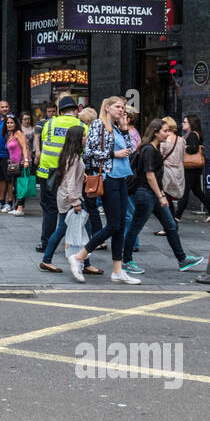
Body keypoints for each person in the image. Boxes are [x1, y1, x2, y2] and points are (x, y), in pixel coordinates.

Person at [120, 119, 204, 275]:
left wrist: (161, 194)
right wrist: (161, 196)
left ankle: (182, 259)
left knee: (170, 225)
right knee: (135, 227)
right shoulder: (148, 150)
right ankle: (125, 261)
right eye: (165, 131)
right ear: (156, 132)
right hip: (146, 194)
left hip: (154, 193)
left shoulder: (153, 148)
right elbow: (149, 175)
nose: (168, 134)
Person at [69, 97, 136, 284]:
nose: (122, 110)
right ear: (107, 107)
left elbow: (131, 148)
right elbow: (89, 151)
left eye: (123, 107)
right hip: (107, 178)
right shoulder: (98, 125)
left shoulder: (117, 127)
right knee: (113, 224)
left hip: (121, 177)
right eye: (118, 107)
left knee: (120, 225)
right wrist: (113, 154)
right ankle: (79, 256)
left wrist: (124, 129)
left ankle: (117, 270)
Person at [36, 96, 86, 252]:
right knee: (71, 208)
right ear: (76, 109)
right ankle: (72, 243)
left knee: (50, 209)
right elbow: (84, 149)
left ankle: (46, 243)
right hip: (71, 173)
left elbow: (45, 142)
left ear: (60, 111)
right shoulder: (82, 125)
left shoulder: (49, 123)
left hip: (48, 173)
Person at [175, 115, 210, 222]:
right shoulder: (190, 134)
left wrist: (184, 147)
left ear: (191, 124)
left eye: (185, 122)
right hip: (193, 167)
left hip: (191, 167)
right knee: (197, 191)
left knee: (184, 192)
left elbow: (193, 149)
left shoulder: (193, 135)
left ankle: (177, 217)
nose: (182, 124)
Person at [4, 113, 32, 216]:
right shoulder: (10, 134)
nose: (9, 124)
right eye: (8, 123)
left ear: (16, 124)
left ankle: (20, 208)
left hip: (21, 163)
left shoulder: (19, 133)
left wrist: (25, 160)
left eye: (12, 123)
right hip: (14, 165)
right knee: (15, 186)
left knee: (21, 186)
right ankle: (16, 206)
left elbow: (24, 147)